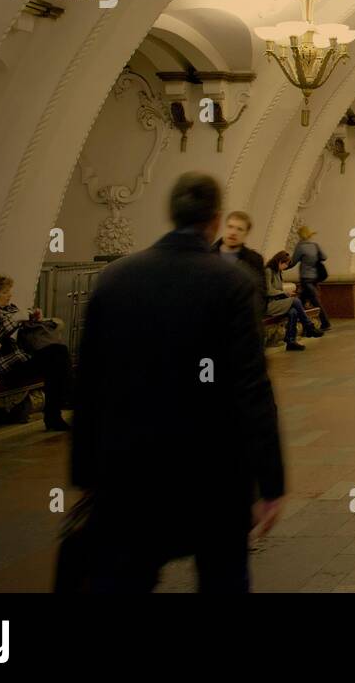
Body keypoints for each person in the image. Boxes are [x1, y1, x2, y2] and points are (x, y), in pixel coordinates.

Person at [72, 172, 284, 593]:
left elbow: (89, 382)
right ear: (215, 220)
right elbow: (250, 388)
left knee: (127, 578)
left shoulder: (115, 279)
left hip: (128, 470)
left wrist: (85, 473)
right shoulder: (231, 283)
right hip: (213, 471)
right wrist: (270, 482)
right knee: (222, 576)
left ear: (171, 214)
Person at [0, 275, 73, 432]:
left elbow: (26, 328)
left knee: (59, 353)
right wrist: (16, 319)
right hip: (6, 365)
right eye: (5, 292)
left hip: (25, 357)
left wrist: (34, 318)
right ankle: (60, 408)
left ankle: (58, 410)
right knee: (56, 364)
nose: (9, 295)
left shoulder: (11, 308)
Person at [264, 252, 322, 350]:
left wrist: (285, 294)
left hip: (277, 302)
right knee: (295, 301)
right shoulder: (268, 271)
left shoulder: (278, 272)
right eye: (285, 264)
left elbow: (278, 290)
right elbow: (268, 291)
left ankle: (291, 341)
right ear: (279, 261)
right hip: (269, 304)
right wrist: (284, 293)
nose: (286, 266)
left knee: (293, 311)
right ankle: (309, 327)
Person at [290, 226, 331, 332]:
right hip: (315, 278)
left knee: (315, 301)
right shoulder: (315, 245)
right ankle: (302, 325)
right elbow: (324, 257)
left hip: (305, 278)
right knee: (301, 301)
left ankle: (325, 323)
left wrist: (282, 266)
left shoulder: (300, 247)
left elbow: (293, 261)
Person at [213, 211, 264, 288]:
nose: (233, 232)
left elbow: (259, 291)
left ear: (246, 233)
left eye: (239, 229)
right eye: (230, 227)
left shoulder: (254, 260)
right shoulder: (206, 252)